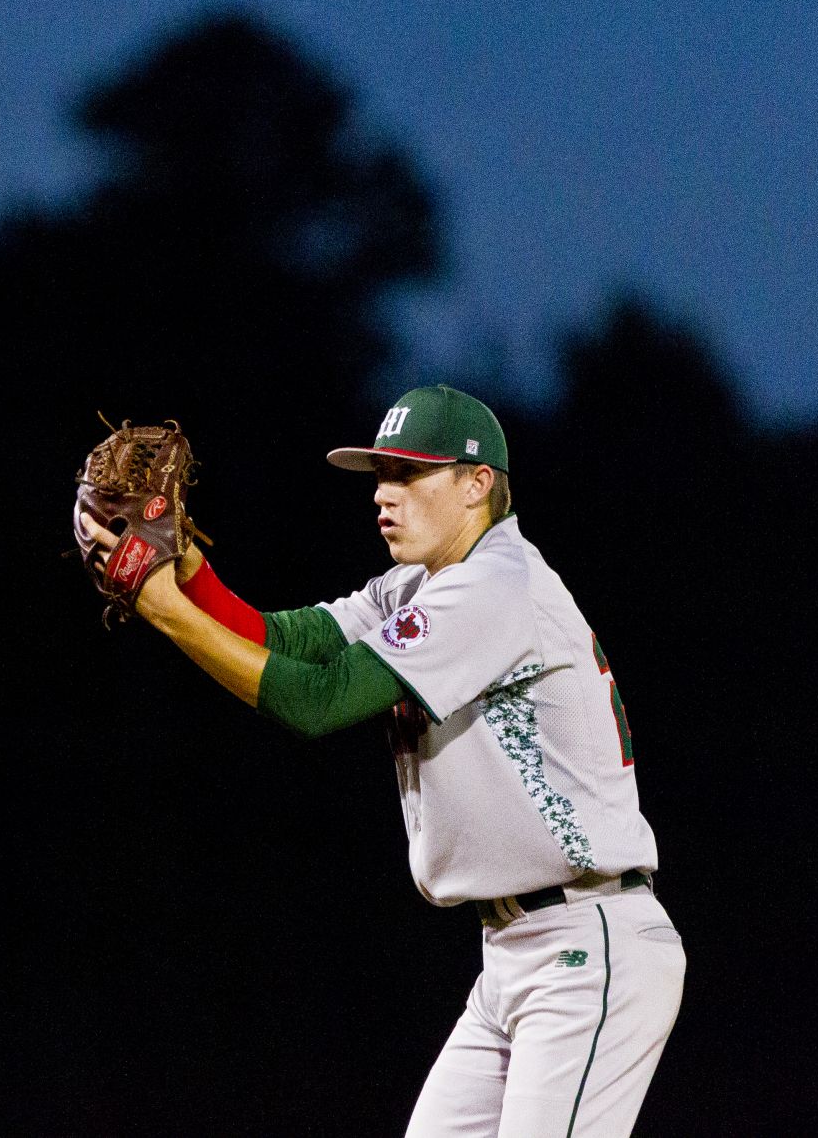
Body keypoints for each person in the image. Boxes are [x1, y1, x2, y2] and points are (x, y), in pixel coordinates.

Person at [79, 384, 684, 1136]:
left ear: (477, 484)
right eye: (379, 475)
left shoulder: (497, 585)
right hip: (513, 953)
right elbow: (285, 641)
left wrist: (162, 604)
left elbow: (318, 701)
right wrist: (189, 567)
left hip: (587, 943)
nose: (382, 493)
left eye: (407, 474)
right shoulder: (418, 583)